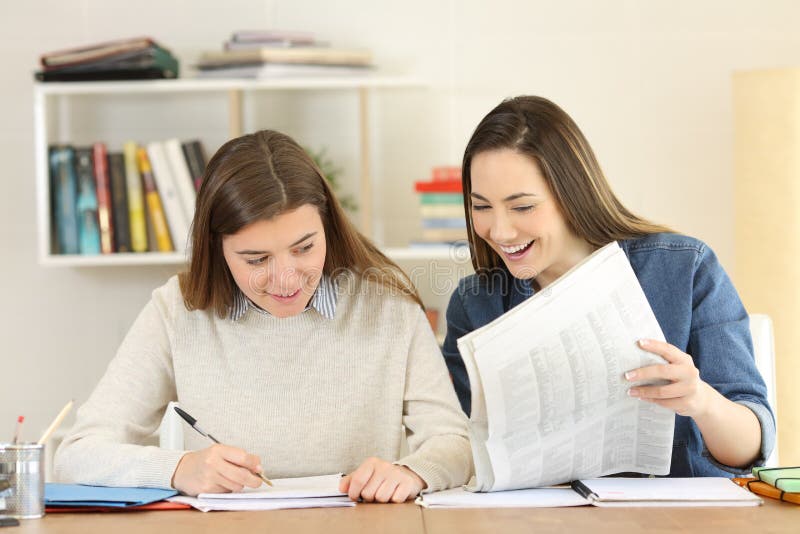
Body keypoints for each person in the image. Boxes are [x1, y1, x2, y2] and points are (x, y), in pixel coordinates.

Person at [55, 130, 472, 502]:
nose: (286, 279)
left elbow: (455, 441)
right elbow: (76, 454)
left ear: (327, 224)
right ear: (216, 248)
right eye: (256, 259)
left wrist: (411, 472)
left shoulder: (388, 308)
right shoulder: (176, 310)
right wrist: (179, 468)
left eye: (304, 248)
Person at [442, 95, 775, 477]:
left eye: (522, 207)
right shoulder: (473, 307)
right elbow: (469, 451)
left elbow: (751, 448)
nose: (498, 231)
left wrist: (701, 401)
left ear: (572, 195)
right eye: (481, 206)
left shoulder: (685, 269)